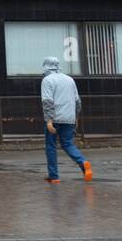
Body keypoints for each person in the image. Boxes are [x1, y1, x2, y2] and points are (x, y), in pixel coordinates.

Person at [41, 56, 91, 184]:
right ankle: (82, 162)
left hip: (55, 118)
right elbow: (77, 101)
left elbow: (47, 101)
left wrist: (49, 120)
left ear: (46, 66)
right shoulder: (70, 79)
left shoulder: (47, 80)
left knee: (51, 146)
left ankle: (54, 176)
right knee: (68, 144)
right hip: (69, 118)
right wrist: (76, 118)